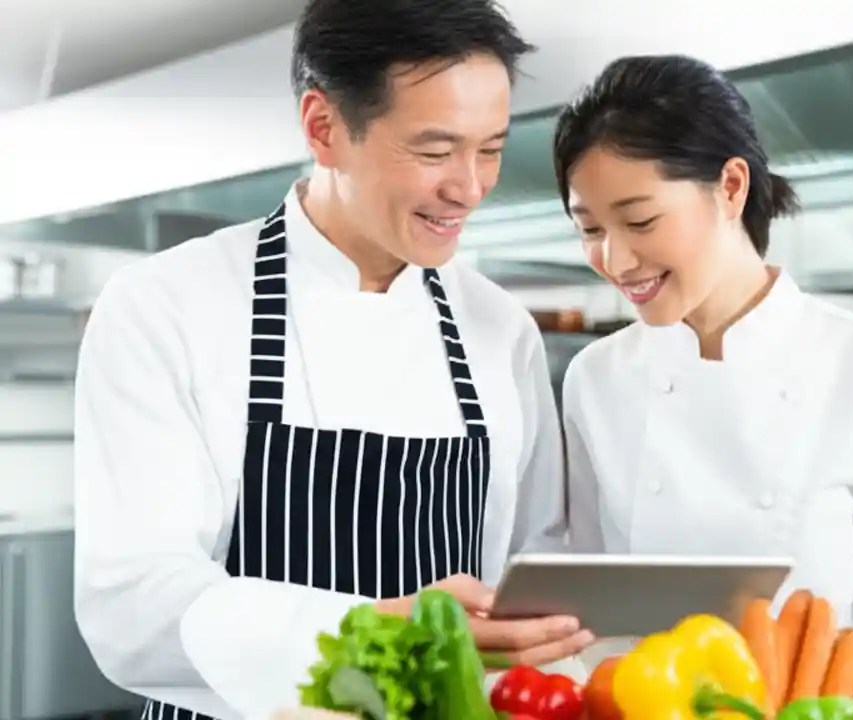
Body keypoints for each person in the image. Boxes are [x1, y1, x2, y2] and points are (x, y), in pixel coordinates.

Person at [73, 2, 591, 718]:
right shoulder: (166, 306)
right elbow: (132, 606)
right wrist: (363, 632)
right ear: (323, 127)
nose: (469, 187)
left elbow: (533, 577)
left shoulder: (499, 330)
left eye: (492, 148)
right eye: (435, 151)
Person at [552, 55, 853, 673]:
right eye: (590, 228)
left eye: (640, 220)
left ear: (731, 187)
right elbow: (593, 607)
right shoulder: (595, 379)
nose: (617, 259)